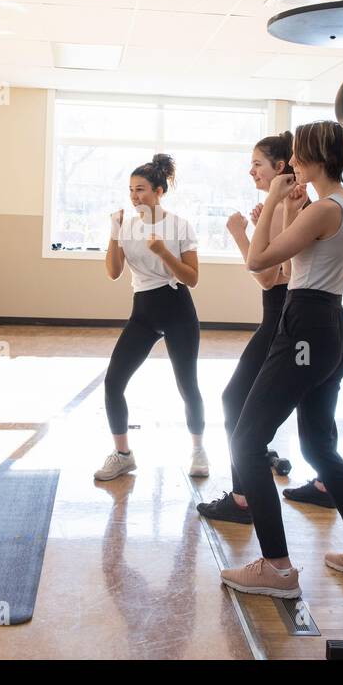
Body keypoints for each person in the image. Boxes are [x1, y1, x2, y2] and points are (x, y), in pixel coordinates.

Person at [219, 121, 343, 597]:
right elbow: (299, 265)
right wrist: (293, 209)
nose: (291, 163)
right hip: (331, 324)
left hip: (306, 327)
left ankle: (276, 567)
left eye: (297, 156)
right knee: (318, 447)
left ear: (316, 159)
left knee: (247, 441)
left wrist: (274, 202)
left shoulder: (322, 211)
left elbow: (261, 265)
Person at [197, 132, 303, 524]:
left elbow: (265, 276)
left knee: (233, 401)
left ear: (280, 167)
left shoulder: (280, 207)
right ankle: (263, 464)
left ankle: (243, 498)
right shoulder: (280, 206)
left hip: (278, 320)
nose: (251, 170)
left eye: (258, 163)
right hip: (279, 316)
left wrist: (239, 233)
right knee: (264, 407)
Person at [94, 153, 206, 482]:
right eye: (130, 189)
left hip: (177, 310)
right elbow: (114, 272)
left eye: (141, 189)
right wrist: (113, 232)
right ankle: (123, 455)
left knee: (187, 385)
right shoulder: (127, 226)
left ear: (159, 191)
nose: (134, 196)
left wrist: (163, 252)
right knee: (114, 383)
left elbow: (192, 278)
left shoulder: (179, 225)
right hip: (142, 312)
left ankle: (199, 450)